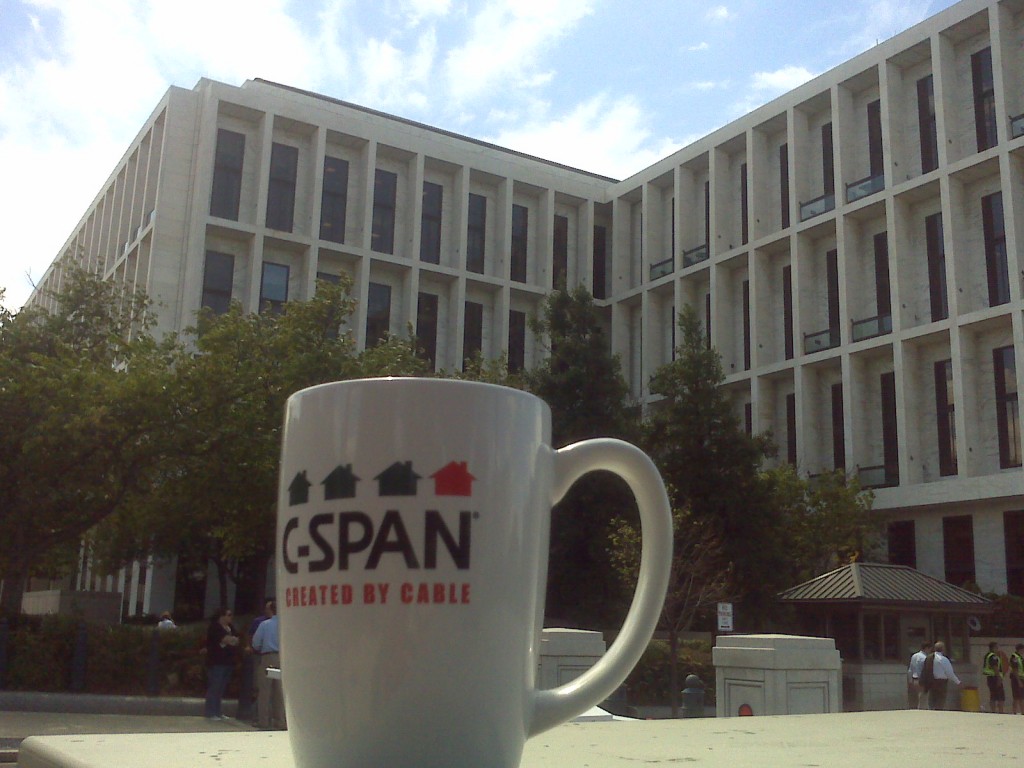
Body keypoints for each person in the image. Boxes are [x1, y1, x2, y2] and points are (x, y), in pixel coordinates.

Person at [251, 600, 286, 730]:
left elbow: (256, 643)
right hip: (283, 657)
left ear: (271, 610)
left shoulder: (264, 625)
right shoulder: (286, 625)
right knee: (280, 692)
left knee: (265, 691)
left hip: (267, 656)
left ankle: (263, 721)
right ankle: (280, 721)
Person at [204, 607, 240, 720]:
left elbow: (236, 639)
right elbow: (223, 639)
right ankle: (211, 712)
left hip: (228, 661)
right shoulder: (215, 627)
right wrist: (229, 640)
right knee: (215, 686)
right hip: (217, 661)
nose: (230, 617)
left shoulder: (231, 628)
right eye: (228, 615)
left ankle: (218, 711)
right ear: (222, 616)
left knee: (222, 687)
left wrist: (230, 640)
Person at [928, 641, 961, 711]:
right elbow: (949, 673)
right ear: (943, 649)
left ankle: (931, 713)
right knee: (940, 700)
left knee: (932, 700)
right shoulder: (943, 659)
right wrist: (958, 682)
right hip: (941, 682)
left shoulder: (929, 658)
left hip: (931, 681)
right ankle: (938, 714)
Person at [982, 641, 1006, 714]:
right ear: (993, 648)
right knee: (1000, 696)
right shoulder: (993, 656)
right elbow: (995, 667)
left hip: (990, 678)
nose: (998, 649)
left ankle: (993, 711)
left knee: (993, 695)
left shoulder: (987, 655)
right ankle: (1000, 711)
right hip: (994, 678)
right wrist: (999, 678)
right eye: (996, 647)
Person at [907, 641, 932, 709]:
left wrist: (910, 680)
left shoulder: (914, 656)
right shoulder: (925, 658)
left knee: (916, 699)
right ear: (926, 648)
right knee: (923, 700)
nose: (930, 651)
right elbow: (925, 671)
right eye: (930, 649)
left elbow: (910, 669)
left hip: (914, 679)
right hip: (922, 680)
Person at [1009, 643, 1024, 715]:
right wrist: (1019, 681)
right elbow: (1015, 669)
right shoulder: (1014, 657)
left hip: (1021, 678)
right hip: (1016, 679)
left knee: (1021, 696)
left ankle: (1022, 711)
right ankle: (1014, 711)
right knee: (1017, 696)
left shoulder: (1020, 657)